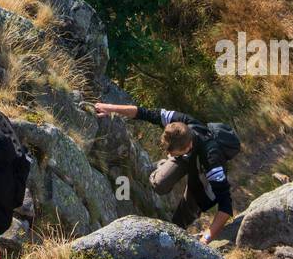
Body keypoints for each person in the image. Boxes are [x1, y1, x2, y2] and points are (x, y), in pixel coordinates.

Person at [93, 99, 235, 242]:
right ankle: (164, 168)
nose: (169, 154)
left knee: (181, 219)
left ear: (187, 147)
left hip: (202, 172)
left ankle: (178, 233)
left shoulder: (212, 159)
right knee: (160, 184)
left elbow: (226, 207)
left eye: (173, 153)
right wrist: (110, 108)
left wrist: (206, 238)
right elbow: (143, 112)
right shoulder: (180, 122)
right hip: (186, 157)